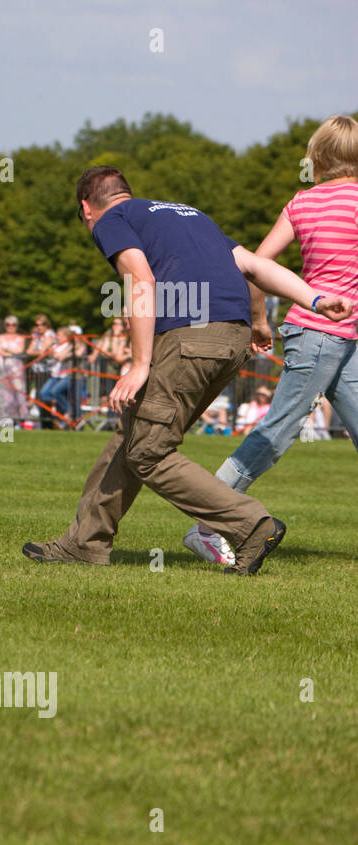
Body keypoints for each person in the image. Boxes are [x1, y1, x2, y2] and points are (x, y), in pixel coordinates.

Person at [23, 165, 352, 575]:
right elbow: (253, 266)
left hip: (190, 338)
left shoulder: (112, 219)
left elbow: (141, 282)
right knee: (135, 432)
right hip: (231, 337)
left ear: (86, 207)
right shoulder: (189, 215)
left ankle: (251, 526)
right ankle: (86, 542)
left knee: (148, 451)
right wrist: (315, 298)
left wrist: (140, 364)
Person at [184, 115, 358, 565]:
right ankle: (207, 526)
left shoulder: (300, 203)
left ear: (317, 157)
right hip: (323, 335)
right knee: (277, 431)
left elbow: (256, 266)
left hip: (319, 333)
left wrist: (259, 320)